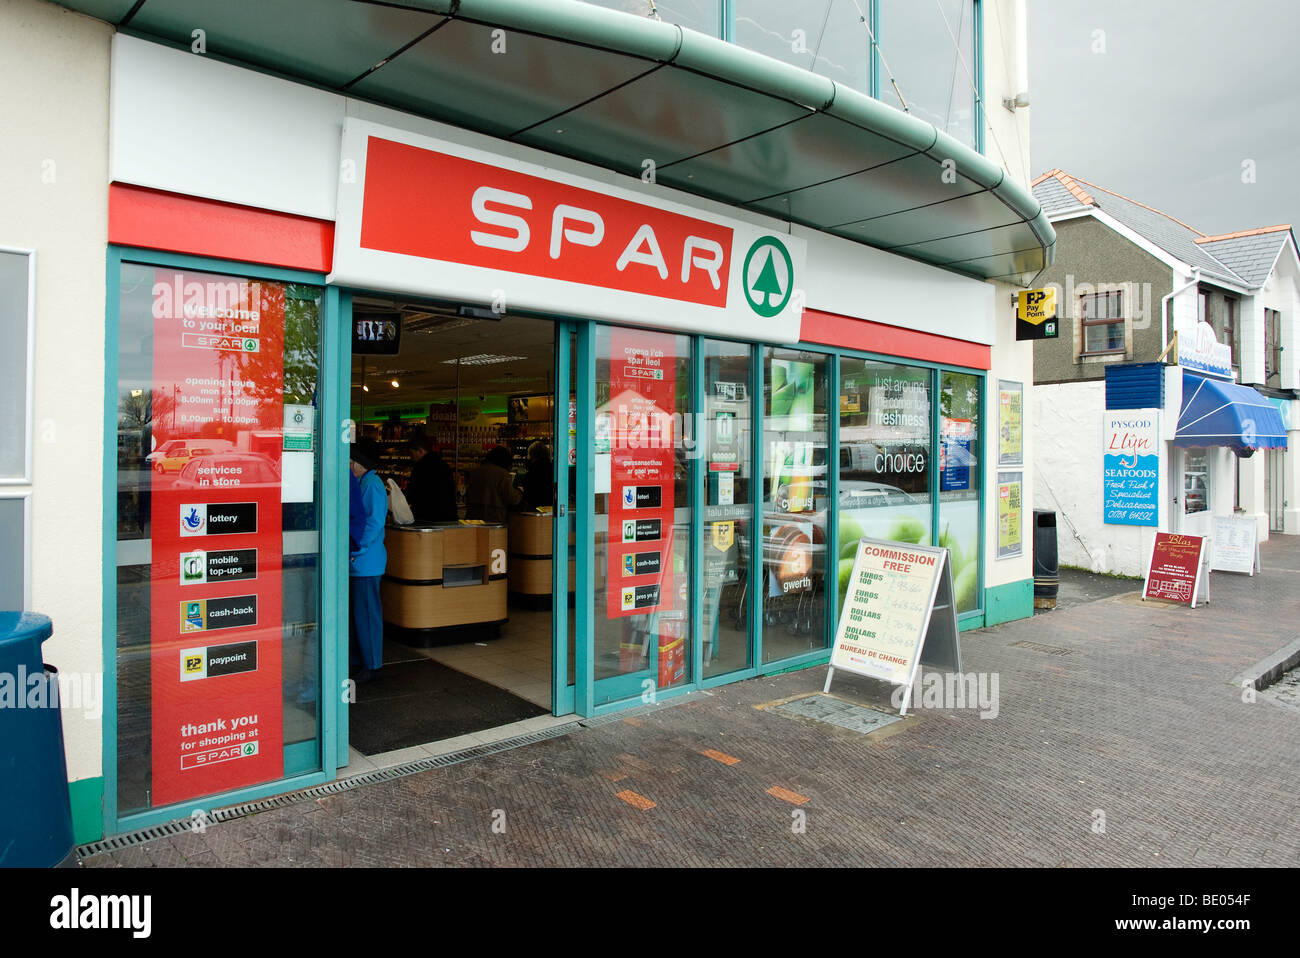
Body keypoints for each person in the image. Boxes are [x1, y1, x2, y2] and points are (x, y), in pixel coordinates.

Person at [349, 438, 387, 682]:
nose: (349, 465)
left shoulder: (372, 484)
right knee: (358, 614)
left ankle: (372, 664)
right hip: (360, 561)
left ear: (359, 463)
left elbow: (373, 523)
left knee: (367, 614)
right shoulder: (363, 482)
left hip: (366, 562)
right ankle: (360, 660)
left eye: (351, 461)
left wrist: (356, 548)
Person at [406, 435, 458, 523]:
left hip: (427, 517)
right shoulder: (444, 464)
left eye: (412, 453)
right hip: (448, 516)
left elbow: (413, 493)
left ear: (420, 451)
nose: (411, 457)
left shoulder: (420, 467)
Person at [464, 445, 522, 524]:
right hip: (494, 518)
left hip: (473, 517)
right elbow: (511, 498)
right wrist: (519, 492)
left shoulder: (475, 472)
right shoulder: (502, 474)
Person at [519, 440, 554, 511]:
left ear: (532, 455)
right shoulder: (553, 468)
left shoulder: (533, 470)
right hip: (551, 507)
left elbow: (528, 492)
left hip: (535, 508)